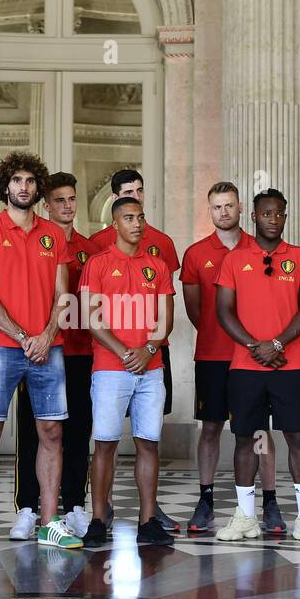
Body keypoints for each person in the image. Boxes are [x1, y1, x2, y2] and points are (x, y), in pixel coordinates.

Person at [0, 152, 82, 552]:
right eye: (16, 179)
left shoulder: (53, 234)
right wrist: (22, 336)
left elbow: (63, 295)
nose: (24, 187)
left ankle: (50, 522)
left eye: (31, 180)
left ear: (38, 188)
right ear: (5, 185)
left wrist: (46, 335)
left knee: (52, 431)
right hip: (0, 347)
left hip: (48, 348)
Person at [214, 189, 300, 544]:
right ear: (254, 217)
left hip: (291, 366)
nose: (273, 220)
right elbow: (223, 310)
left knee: (297, 437)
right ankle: (245, 517)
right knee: (245, 439)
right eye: (266, 214)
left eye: (279, 214)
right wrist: (254, 346)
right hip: (246, 368)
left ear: (286, 217)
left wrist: (276, 344)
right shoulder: (234, 260)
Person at [180, 182, 280, 532]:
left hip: (254, 357)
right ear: (210, 211)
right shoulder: (195, 254)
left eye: (228, 206)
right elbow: (196, 311)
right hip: (212, 354)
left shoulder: (260, 247)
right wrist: (216, 332)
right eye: (216, 207)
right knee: (210, 427)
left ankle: (269, 502)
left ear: (240, 209)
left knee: (258, 431)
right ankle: (206, 500)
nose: (223, 212)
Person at [89, 168, 184, 529]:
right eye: (129, 218)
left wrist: (147, 348)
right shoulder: (97, 264)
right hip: (110, 369)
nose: (137, 223)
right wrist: (126, 353)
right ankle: (99, 518)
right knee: (105, 444)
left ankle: (147, 520)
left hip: (152, 368)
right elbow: (93, 320)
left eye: (140, 217)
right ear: (115, 223)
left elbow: (166, 318)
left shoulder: (157, 266)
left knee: (149, 443)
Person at [14, 172, 98, 540]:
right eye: (59, 200)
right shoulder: (35, 240)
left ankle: (75, 506)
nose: (67, 206)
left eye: (71, 199)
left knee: (78, 430)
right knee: (33, 432)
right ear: (46, 205)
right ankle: (28, 508)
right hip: (38, 351)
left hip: (79, 349)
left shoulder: (89, 248)